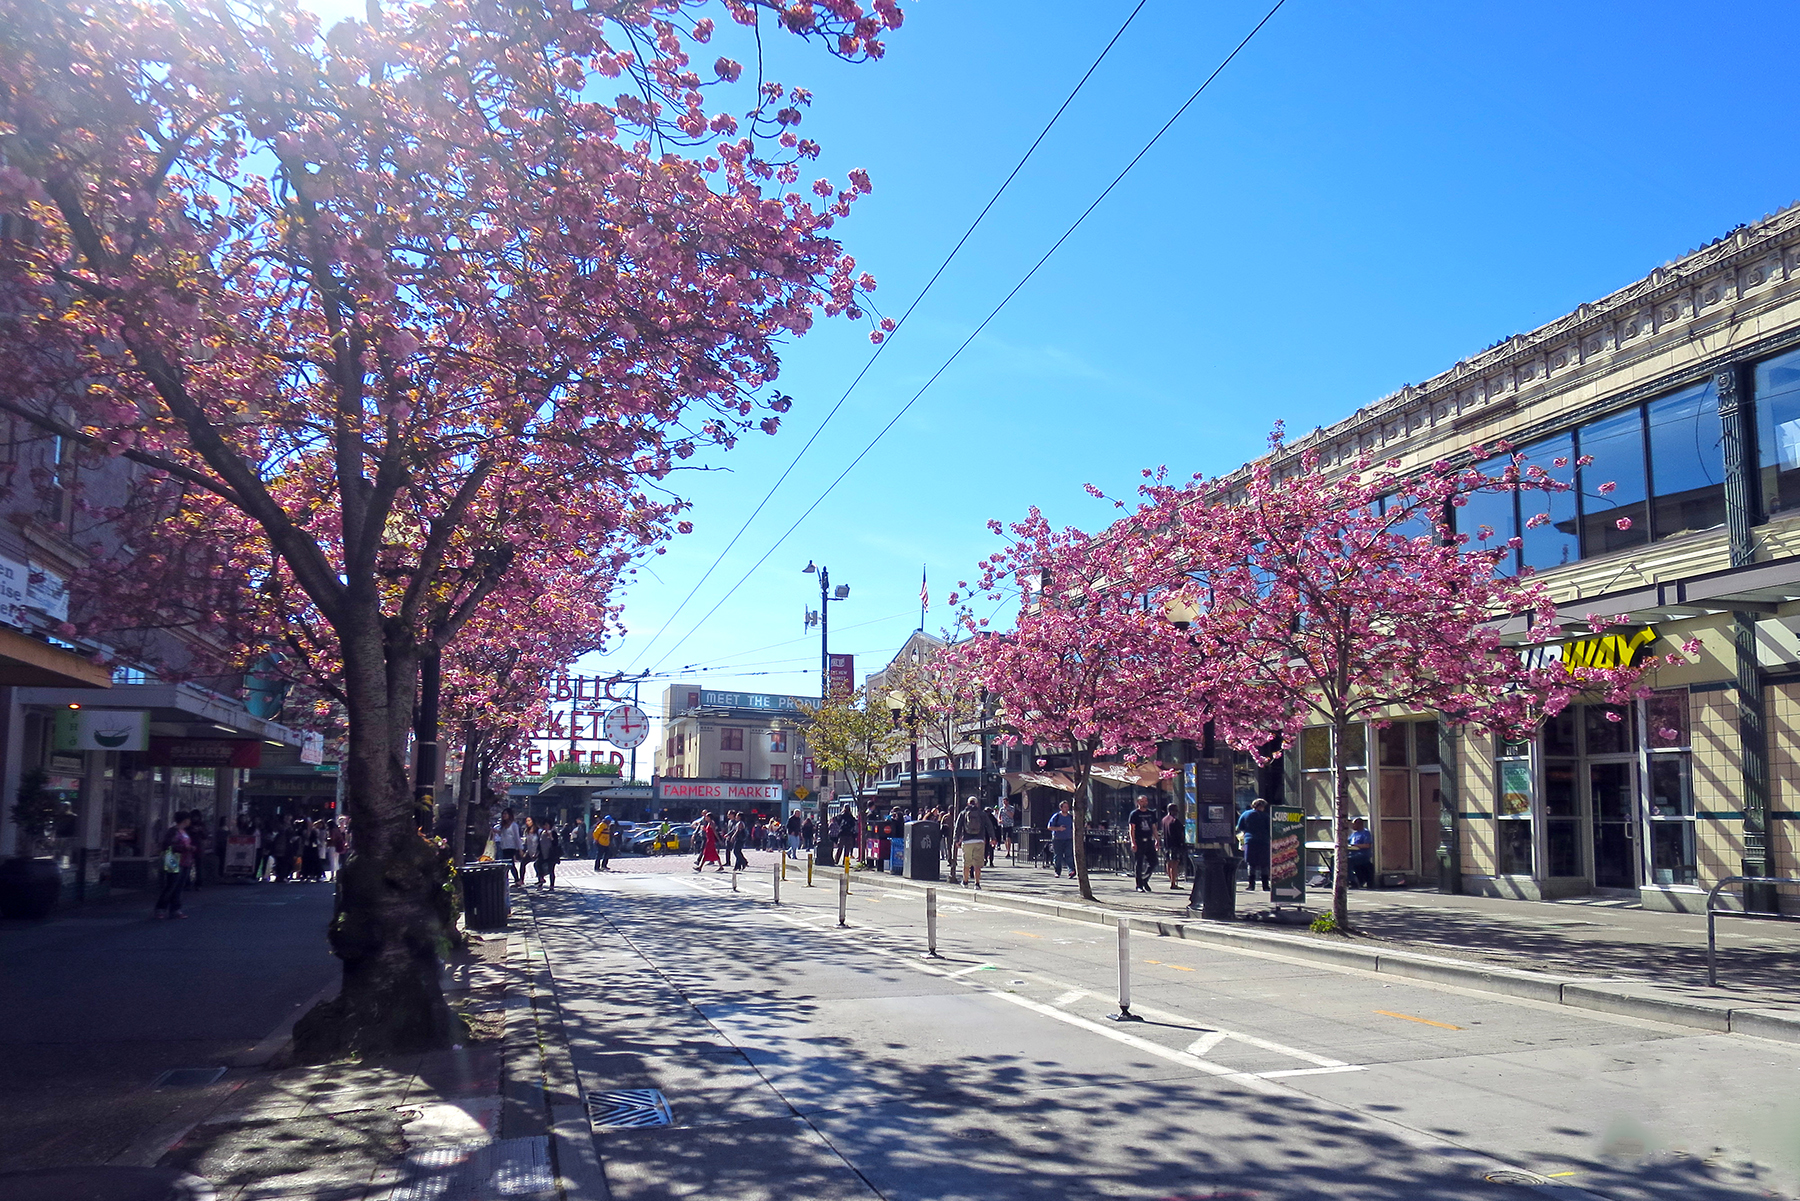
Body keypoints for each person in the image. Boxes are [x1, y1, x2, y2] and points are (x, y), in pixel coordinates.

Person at [154, 812, 193, 918]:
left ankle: (175, 908)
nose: (190, 821)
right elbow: (166, 845)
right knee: (171, 885)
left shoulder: (184, 831)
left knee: (179, 886)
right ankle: (161, 908)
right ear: (185, 820)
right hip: (173, 859)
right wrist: (183, 847)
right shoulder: (173, 831)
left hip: (185, 860)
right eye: (188, 819)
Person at [954, 796, 994, 889]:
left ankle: (965, 882)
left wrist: (956, 840)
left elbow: (958, 827)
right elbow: (989, 826)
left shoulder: (963, 813)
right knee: (977, 864)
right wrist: (993, 838)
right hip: (979, 840)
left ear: (968, 803)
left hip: (967, 841)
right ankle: (977, 884)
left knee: (966, 863)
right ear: (977, 803)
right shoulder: (982, 814)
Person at [1237, 797, 1271, 892]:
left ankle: (1251, 885)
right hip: (1264, 842)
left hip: (1250, 841)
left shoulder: (1245, 814)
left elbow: (1240, 826)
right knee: (1264, 864)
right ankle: (1265, 885)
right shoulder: (1265, 816)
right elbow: (1270, 828)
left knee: (1251, 863)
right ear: (1261, 806)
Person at [1127, 794, 1159, 893]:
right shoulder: (1134, 814)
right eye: (1142, 801)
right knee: (1139, 863)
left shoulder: (1151, 813)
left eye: (1145, 801)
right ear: (1138, 802)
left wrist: (1157, 839)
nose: (1144, 803)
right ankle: (1139, 885)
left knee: (1154, 862)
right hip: (1139, 840)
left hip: (1149, 840)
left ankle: (1145, 879)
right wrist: (1133, 842)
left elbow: (1154, 827)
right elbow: (1131, 829)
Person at [1160, 801, 1188, 891]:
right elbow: (1181, 833)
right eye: (1176, 810)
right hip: (1175, 844)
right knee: (1175, 863)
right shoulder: (1175, 821)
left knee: (1169, 863)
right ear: (1173, 811)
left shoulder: (1164, 820)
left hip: (1167, 844)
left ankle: (1171, 880)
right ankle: (1173, 883)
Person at [1047, 800, 1075, 878]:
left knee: (1069, 855)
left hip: (1068, 839)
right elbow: (1049, 827)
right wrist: (1058, 828)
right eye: (1065, 807)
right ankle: (1057, 871)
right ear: (1061, 808)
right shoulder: (1057, 816)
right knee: (1058, 856)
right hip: (1058, 839)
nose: (1067, 808)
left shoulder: (1071, 817)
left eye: (1067, 806)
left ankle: (1071, 871)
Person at [496, 809, 524, 884]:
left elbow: (517, 837)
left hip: (511, 847)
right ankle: (511, 879)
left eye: (506, 814)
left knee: (509, 863)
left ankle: (516, 879)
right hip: (504, 846)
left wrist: (520, 849)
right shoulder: (503, 825)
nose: (504, 815)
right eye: (503, 814)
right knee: (508, 863)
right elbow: (503, 834)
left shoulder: (514, 825)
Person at [1347, 817, 1376, 888]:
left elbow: (1367, 845)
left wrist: (1355, 845)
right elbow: (1347, 842)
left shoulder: (1365, 833)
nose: (1352, 826)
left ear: (1359, 824)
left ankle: (1352, 881)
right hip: (1352, 854)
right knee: (1336, 858)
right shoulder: (1354, 834)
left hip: (1362, 855)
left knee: (1348, 861)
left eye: (1354, 824)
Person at [537, 821, 562, 889]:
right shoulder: (541, 833)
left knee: (551, 870)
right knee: (537, 865)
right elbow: (539, 843)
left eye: (547, 825)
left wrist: (550, 837)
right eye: (544, 825)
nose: (545, 826)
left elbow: (555, 843)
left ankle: (552, 885)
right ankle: (541, 881)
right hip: (542, 853)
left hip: (551, 854)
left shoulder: (553, 833)